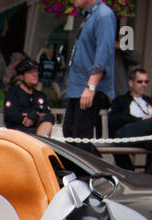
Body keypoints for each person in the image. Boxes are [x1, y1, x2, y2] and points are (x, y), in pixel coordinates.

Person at [62, 0, 116, 156]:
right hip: (77, 87)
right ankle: (97, 169)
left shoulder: (104, 15)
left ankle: (95, 174)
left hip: (88, 88)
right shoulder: (89, 15)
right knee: (70, 132)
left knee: (80, 137)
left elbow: (103, 54)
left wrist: (91, 87)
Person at [3, 56, 55, 138]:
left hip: (38, 133)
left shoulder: (40, 95)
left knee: (48, 120)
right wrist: (30, 116)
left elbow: (48, 115)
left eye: (36, 72)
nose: (35, 75)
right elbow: (11, 115)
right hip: (18, 133)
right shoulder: (13, 93)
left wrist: (35, 116)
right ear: (21, 76)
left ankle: (40, 145)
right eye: (31, 72)